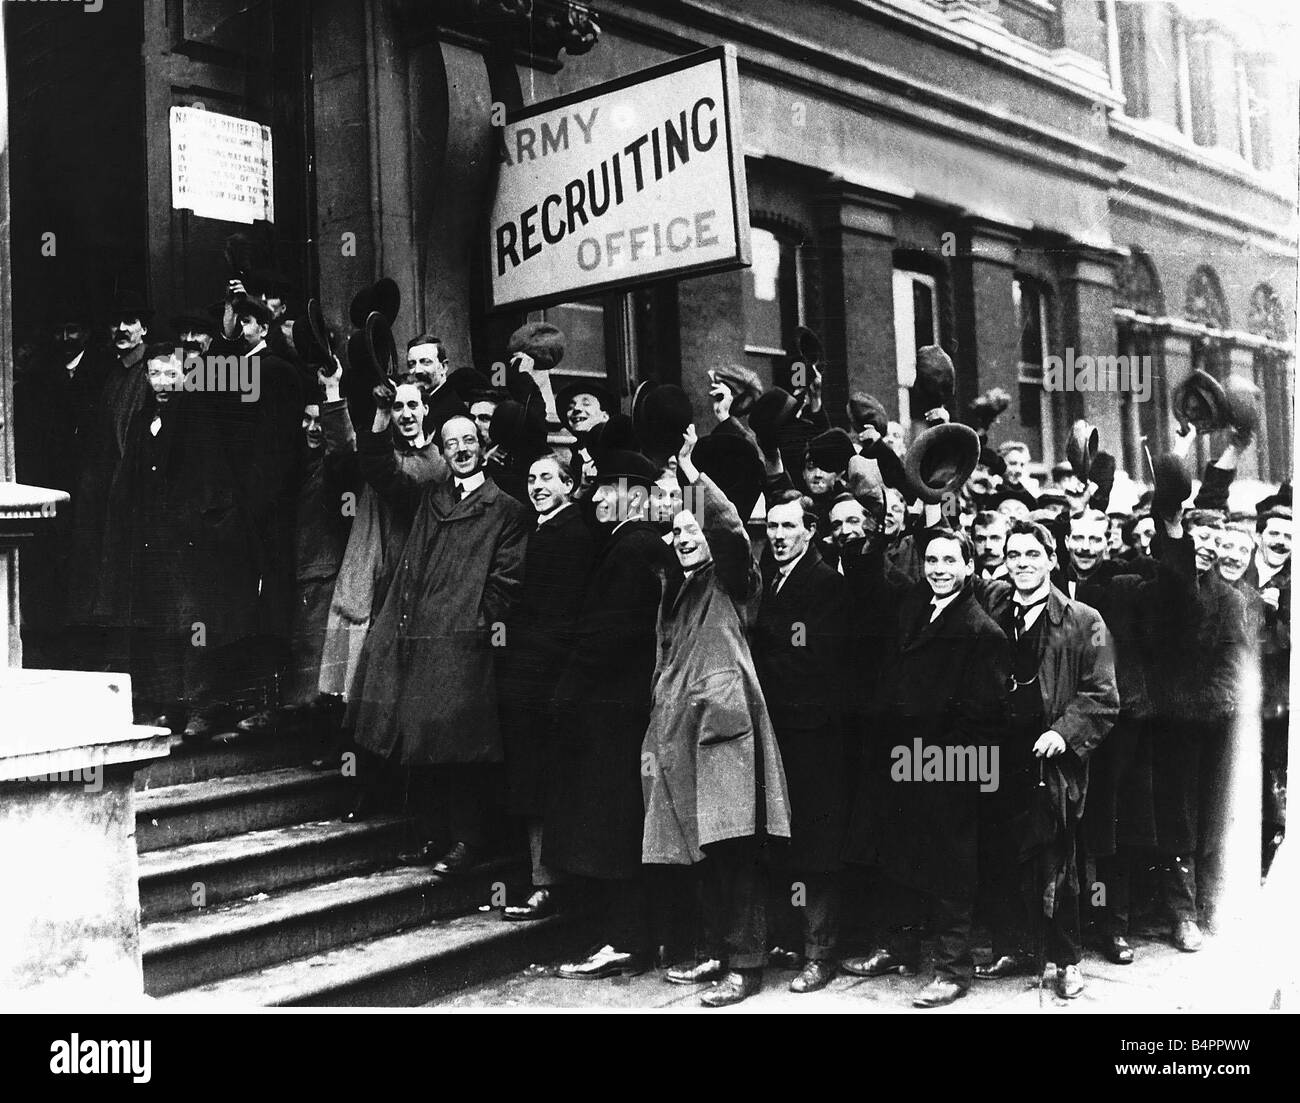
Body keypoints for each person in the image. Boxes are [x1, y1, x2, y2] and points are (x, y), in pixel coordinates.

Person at [349, 399, 530, 880]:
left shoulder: (506, 509)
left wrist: (478, 620)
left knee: (465, 747)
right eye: (451, 444)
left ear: (483, 446)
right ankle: (436, 833)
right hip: (423, 638)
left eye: (469, 440)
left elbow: (507, 580)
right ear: (444, 453)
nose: (462, 450)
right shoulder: (432, 499)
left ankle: (469, 840)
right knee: (425, 739)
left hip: (466, 645)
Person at [642, 427, 792, 1007]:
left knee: (734, 846)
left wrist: (690, 474)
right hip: (682, 732)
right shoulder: (675, 590)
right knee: (698, 846)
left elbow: (729, 530)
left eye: (691, 531)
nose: (683, 539)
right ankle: (717, 951)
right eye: (675, 531)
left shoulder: (733, 580)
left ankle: (746, 964)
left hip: (726, 732)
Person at [842, 527, 1010, 1008]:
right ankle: (899, 949)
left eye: (949, 561)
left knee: (951, 868)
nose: (938, 569)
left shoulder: (981, 631)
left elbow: (983, 721)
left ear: (968, 568)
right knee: (901, 856)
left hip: (948, 769)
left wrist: (934, 770)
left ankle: (953, 970)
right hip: (906, 762)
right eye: (931, 560)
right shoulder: (919, 607)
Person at [974, 520, 1119, 999]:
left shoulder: (1085, 621)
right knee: (1000, 852)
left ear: (1052, 559)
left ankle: (1068, 960)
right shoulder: (995, 604)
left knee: (1057, 859)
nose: (1022, 564)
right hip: (1000, 753)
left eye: (1033, 555)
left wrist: (1063, 734)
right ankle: (1013, 946)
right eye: (1014, 555)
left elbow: (1102, 695)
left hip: (1050, 757)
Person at [548, 448, 676, 979]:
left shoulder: (629, 548)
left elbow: (604, 638)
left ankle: (624, 941)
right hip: (630, 710)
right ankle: (636, 938)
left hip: (610, 714)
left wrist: (563, 697)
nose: (595, 495)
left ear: (638, 497)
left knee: (612, 826)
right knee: (623, 823)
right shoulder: (642, 546)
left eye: (605, 487)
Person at [99, 344, 261, 731]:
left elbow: (211, 478)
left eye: (170, 373)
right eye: (154, 374)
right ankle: (171, 702)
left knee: (195, 623)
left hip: (192, 541)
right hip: (155, 541)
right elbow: (131, 482)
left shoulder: (195, 416)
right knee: (162, 622)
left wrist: (202, 525)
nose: (162, 382)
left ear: (184, 375)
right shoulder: (142, 422)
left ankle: (203, 705)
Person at [750, 490, 850, 994]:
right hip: (781, 733)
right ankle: (791, 940)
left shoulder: (825, 585)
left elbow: (814, 663)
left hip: (814, 737)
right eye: (772, 526)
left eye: (789, 527)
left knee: (817, 844)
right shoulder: (771, 579)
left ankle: (820, 952)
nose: (779, 535)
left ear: (811, 530)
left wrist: (754, 675)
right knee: (785, 840)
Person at [497, 453, 596, 921]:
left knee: (548, 785)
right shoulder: (541, 529)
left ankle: (551, 886)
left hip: (549, 679)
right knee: (534, 783)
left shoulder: (571, 533)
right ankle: (544, 882)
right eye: (531, 477)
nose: (536, 485)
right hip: (531, 677)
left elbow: (562, 616)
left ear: (570, 484)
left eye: (546, 478)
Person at [1148, 508, 1248, 949]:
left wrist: (1215, 706)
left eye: (1215, 541)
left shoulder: (1231, 600)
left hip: (1212, 724)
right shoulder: (1163, 590)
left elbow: (1233, 661)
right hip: (1168, 725)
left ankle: (1208, 905)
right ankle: (1181, 914)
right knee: (1177, 819)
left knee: (1210, 817)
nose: (1207, 547)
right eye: (1199, 538)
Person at [972, 510, 1010, 582]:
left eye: (995, 538)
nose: (988, 547)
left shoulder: (1017, 579)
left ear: (1007, 540)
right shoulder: (968, 580)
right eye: (980, 539)